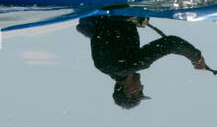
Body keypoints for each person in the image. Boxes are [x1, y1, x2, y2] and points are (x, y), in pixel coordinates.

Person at [76, 15, 207, 109]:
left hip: (118, 10)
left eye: (139, 92)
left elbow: (172, 43)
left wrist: (196, 58)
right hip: (99, 16)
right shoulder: (102, 67)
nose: (142, 87)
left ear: (129, 91)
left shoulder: (130, 65)